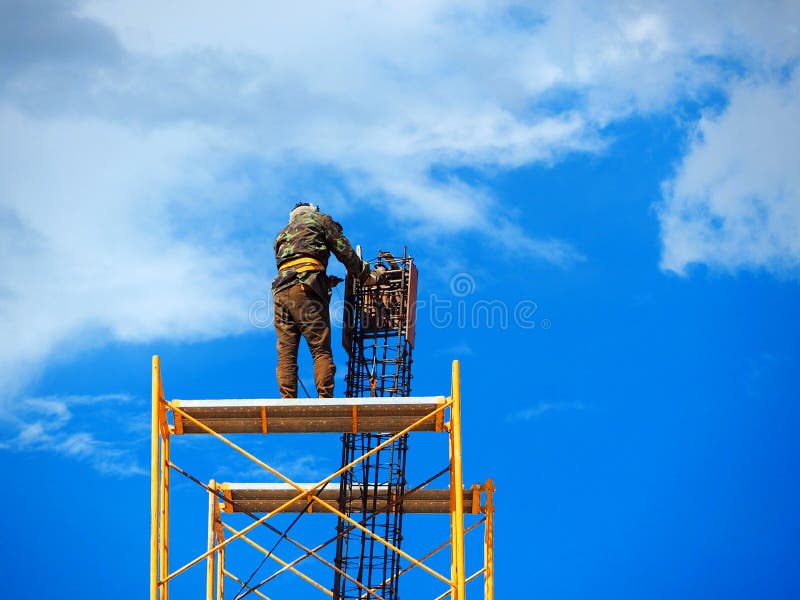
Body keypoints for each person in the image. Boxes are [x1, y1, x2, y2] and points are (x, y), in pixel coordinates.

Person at [272, 202, 383, 398]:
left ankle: (287, 399)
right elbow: (344, 251)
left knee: (286, 352)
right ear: (313, 212)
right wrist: (365, 275)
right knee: (319, 349)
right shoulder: (319, 220)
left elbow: (295, 263)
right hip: (306, 287)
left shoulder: (281, 234)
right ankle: (325, 398)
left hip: (281, 291)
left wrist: (324, 281)